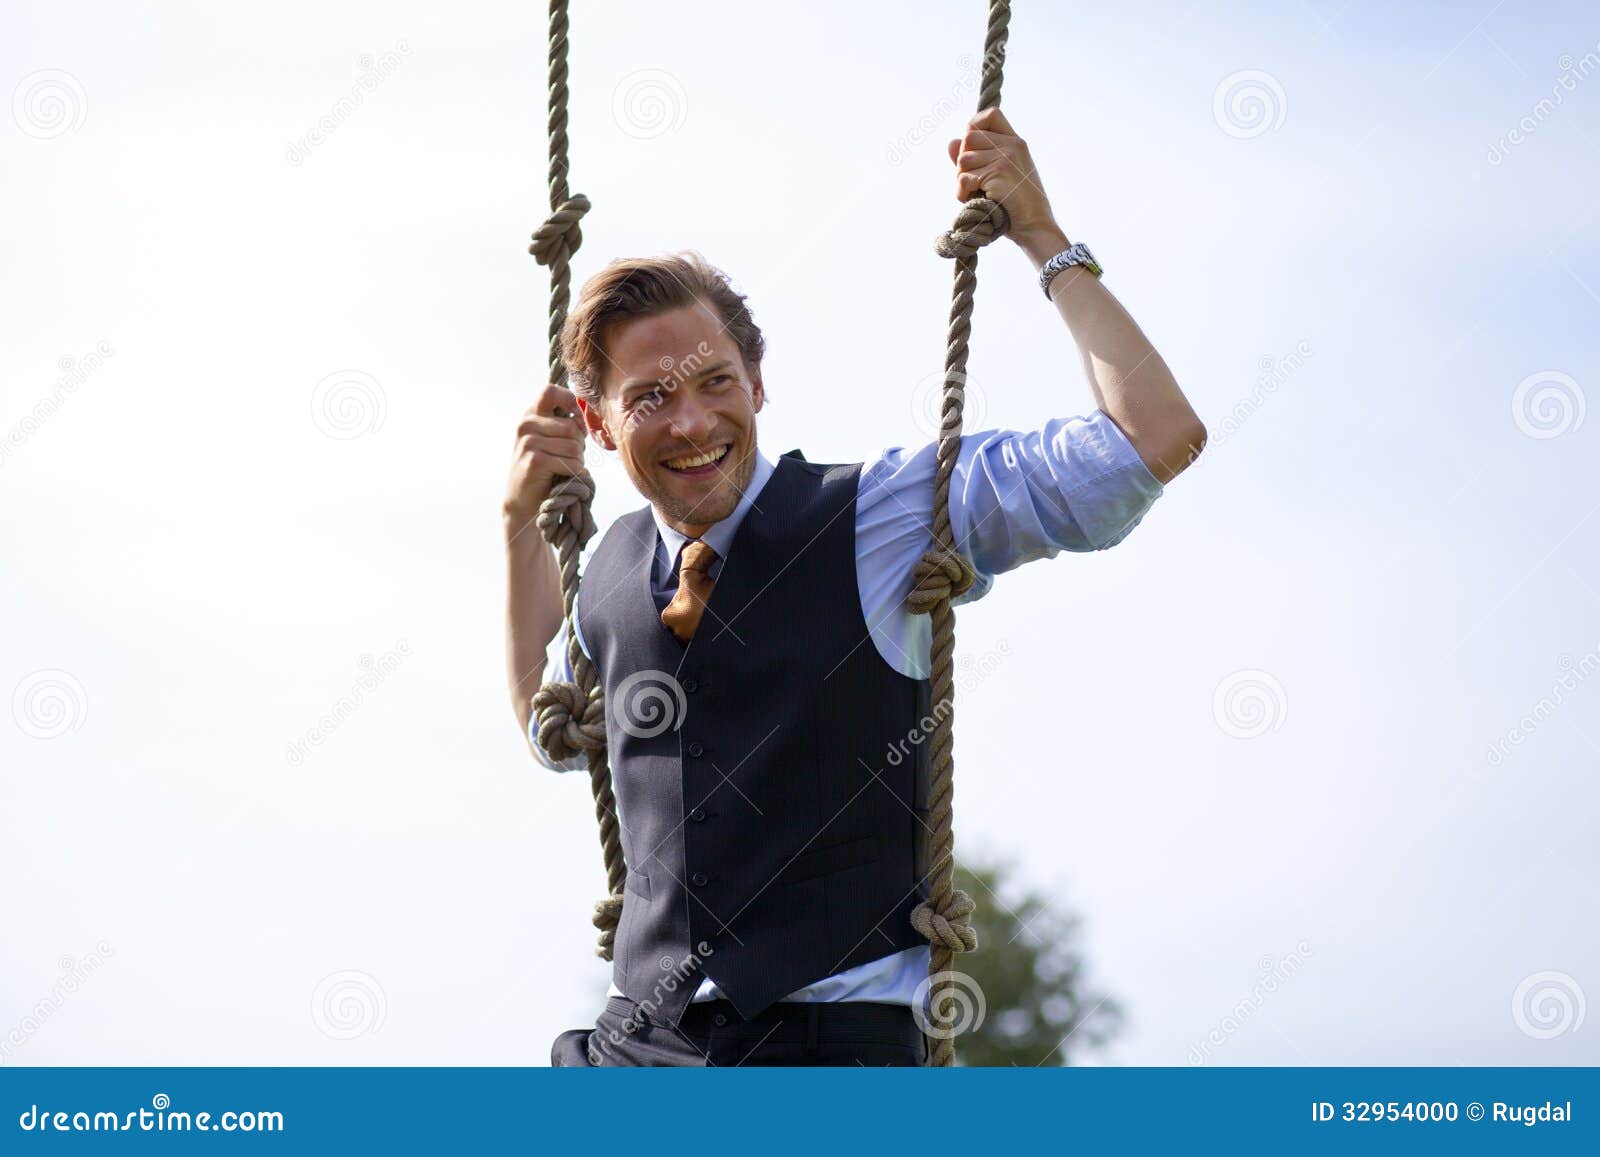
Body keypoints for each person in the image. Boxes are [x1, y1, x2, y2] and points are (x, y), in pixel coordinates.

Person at [503, 107, 1205, 1066]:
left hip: (829, 1051)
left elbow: (1153, 441)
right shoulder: (615, 570)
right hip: (640, 1047)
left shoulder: (880, 514)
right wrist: (516, 529)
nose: (693, 420)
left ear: (757, 381)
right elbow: (551, 725)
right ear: (596, 419)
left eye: (715, 380)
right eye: (651, 397)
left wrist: (1042, 237)